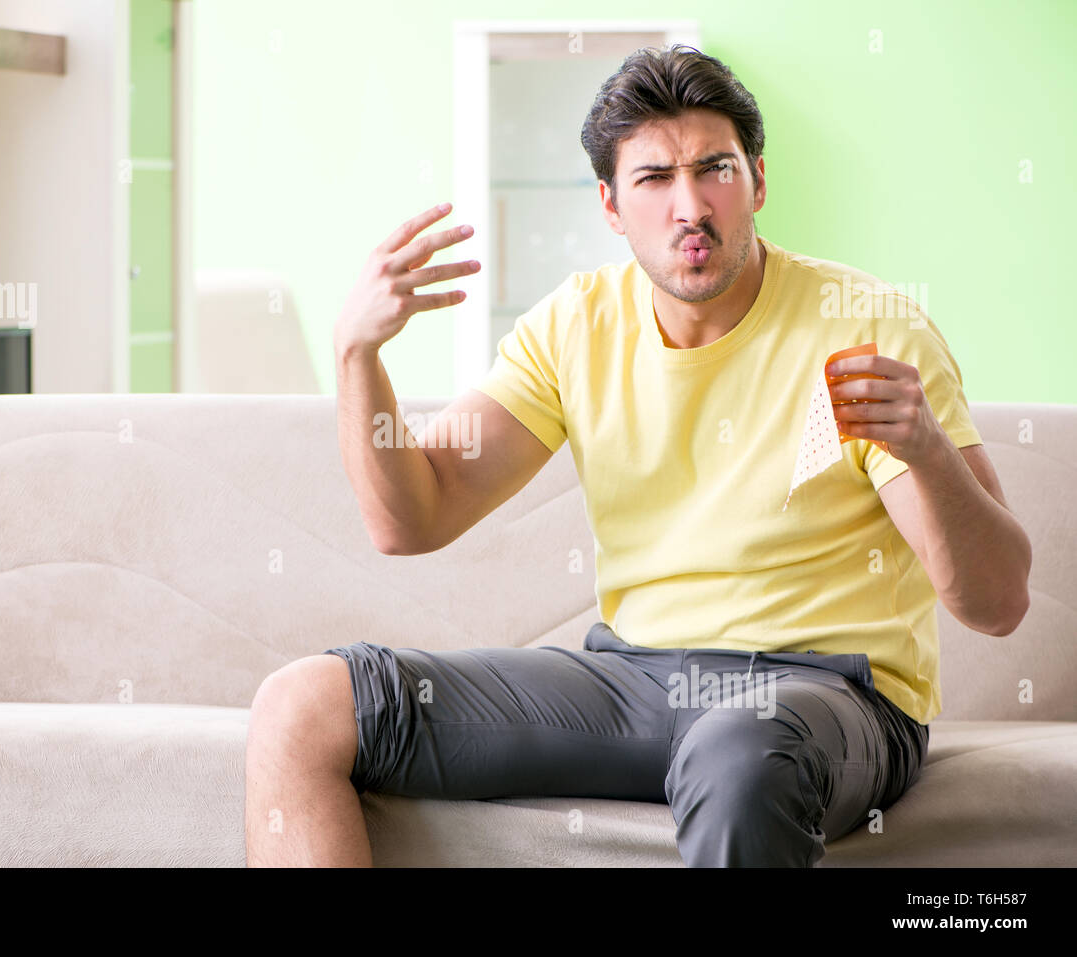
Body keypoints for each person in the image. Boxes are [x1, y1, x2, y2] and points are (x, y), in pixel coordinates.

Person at [244, 44, 1032, 867]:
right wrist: (356, 356)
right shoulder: (576, 324)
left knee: (737, 747)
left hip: (831, 694)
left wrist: (931, 454)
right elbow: (411, 516)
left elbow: (997, 602)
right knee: (301, 707)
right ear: (612, 206)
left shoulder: (866, 326)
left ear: (758, 182)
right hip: (637, 682)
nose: (690, 205)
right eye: (654, 179)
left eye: (715, 169)